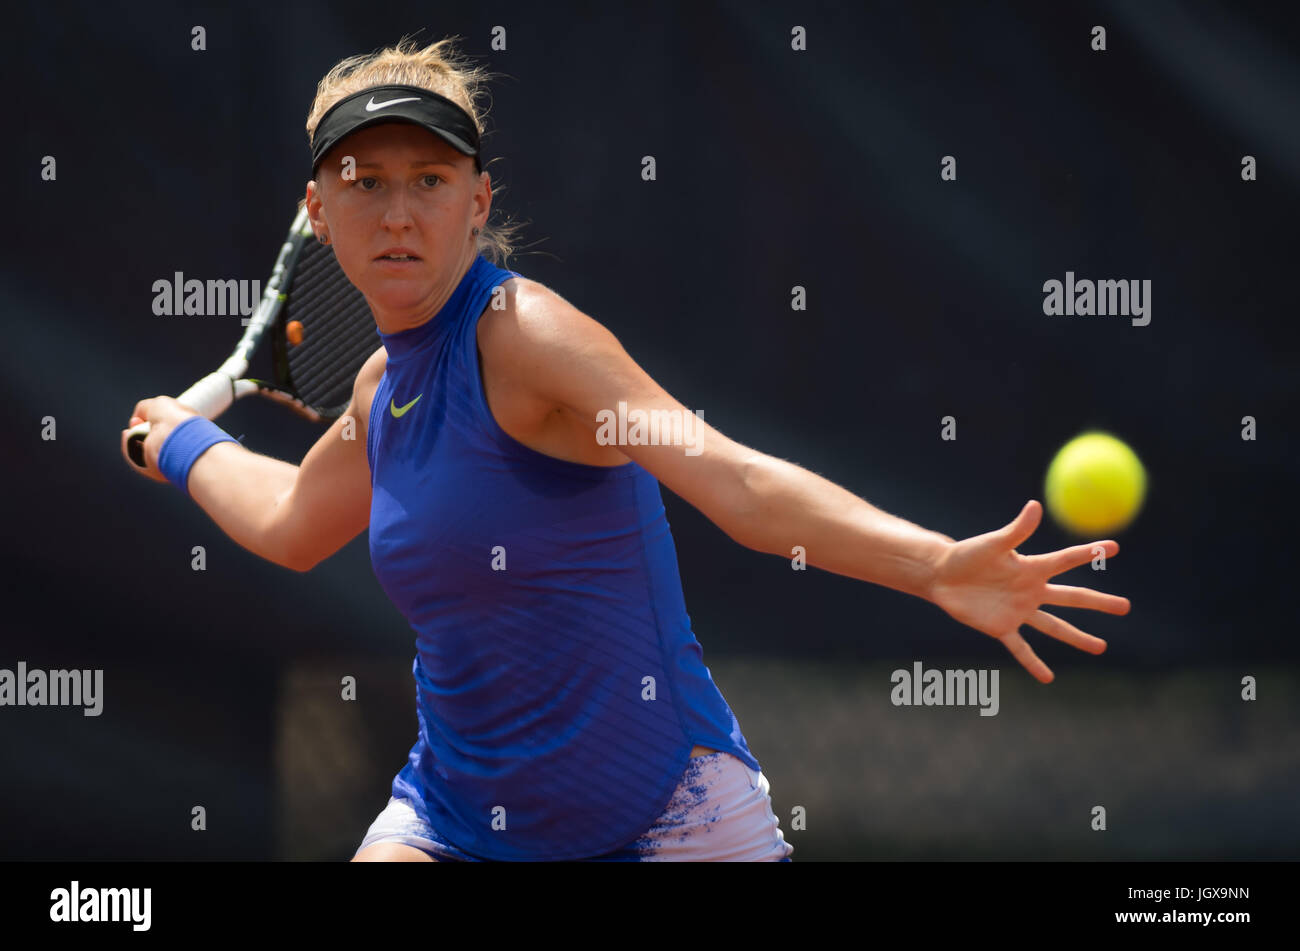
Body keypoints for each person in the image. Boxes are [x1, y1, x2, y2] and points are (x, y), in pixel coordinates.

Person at [120, 37, 1130, 862]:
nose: (396, 213)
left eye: (429, 181)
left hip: (669, 818)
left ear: (476, 201)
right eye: (364, 182)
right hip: (456, 820)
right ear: (318, 211)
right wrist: (181, 443)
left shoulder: (531, 340)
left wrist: (937, 566)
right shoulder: (383, 391)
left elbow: (730, 480)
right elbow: (294, 521)